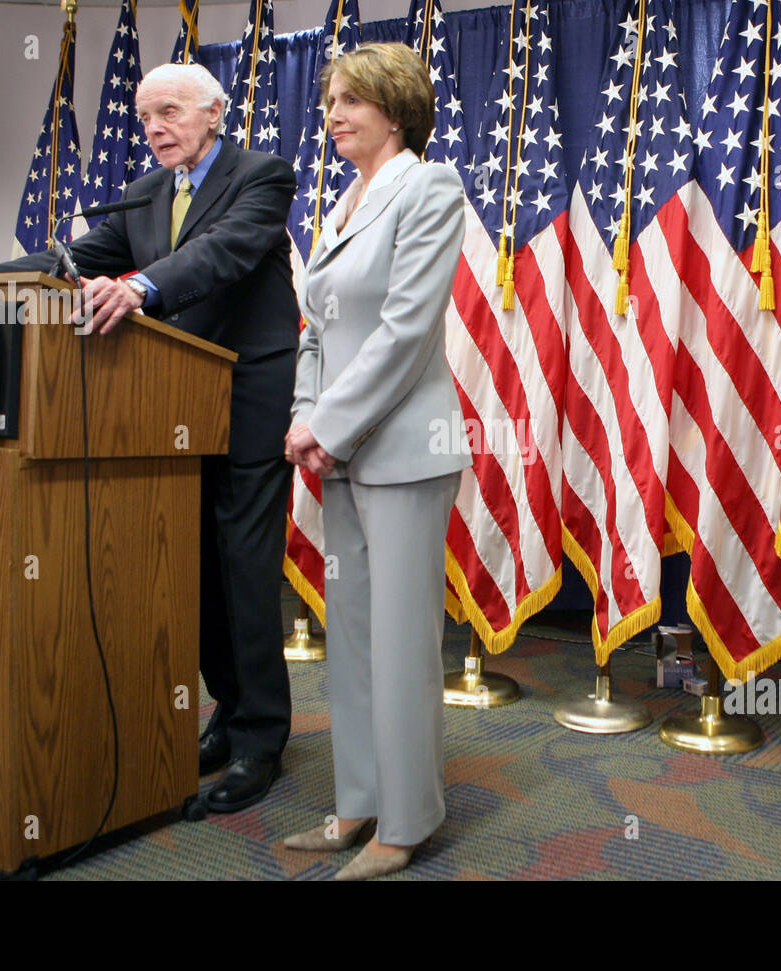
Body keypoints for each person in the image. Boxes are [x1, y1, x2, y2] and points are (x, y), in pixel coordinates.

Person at [0, 63, 299, 813]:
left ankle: (263, 736)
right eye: (146, 116)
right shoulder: (146, 192)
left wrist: (138, 287)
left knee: (243, 565)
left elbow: (222, 252)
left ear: (214, 113)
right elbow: (62, 262)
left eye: (169, 112)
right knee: (192, 567)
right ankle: (229, 709)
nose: (155, 128)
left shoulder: (264, 175)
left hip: (247, 399)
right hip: (169, 404)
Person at [283, 42, 469, 880]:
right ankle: (358, 800)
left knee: (399, 642)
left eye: (351, 100)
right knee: (351, 638)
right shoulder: (346, 201)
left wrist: (328, 424)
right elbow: (319, 330)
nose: (334, 115)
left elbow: (405, 329)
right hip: (341, 453)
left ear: (396, 110)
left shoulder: (428, 186)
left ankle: (407, 822)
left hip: (401, 451)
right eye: (329, 103)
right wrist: (302, 419)